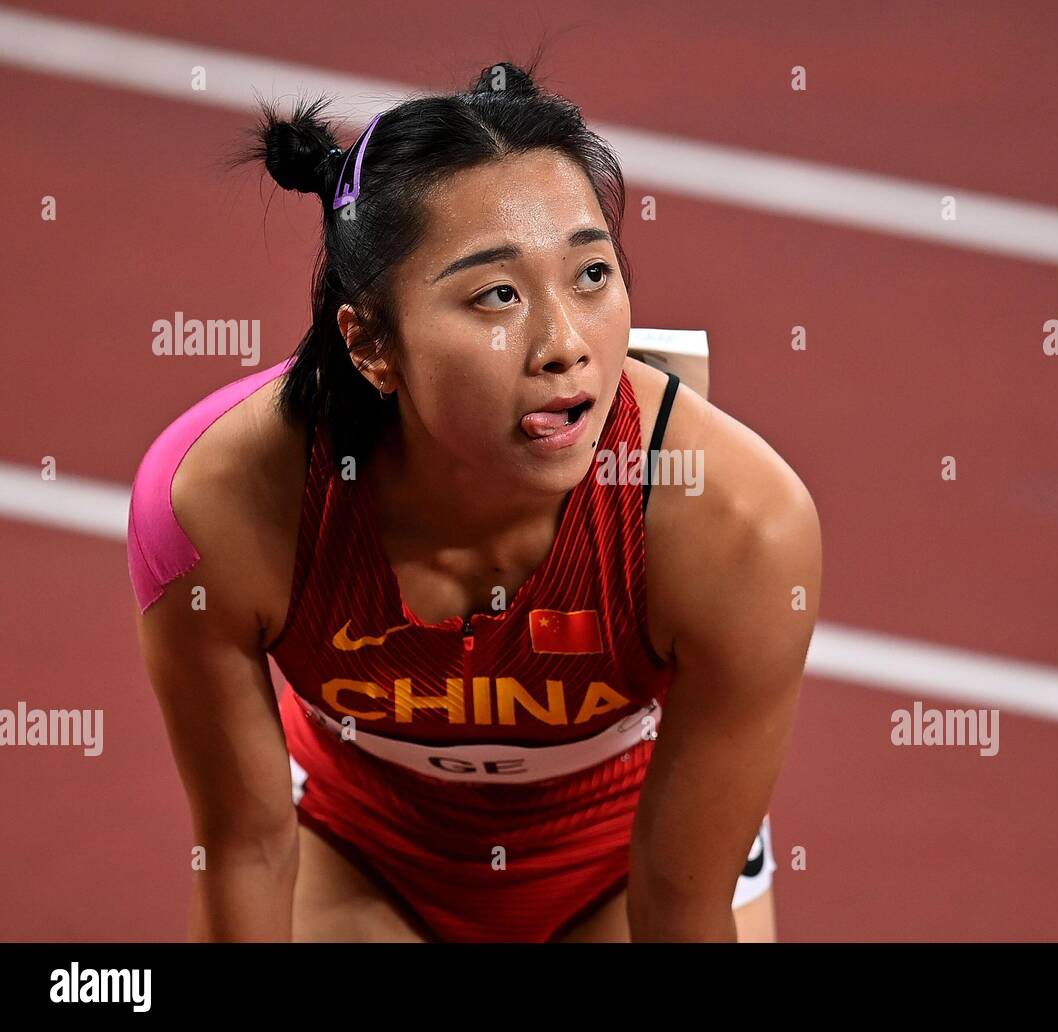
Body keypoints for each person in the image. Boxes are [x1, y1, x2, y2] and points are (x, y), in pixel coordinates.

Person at [129, 57, 821, 943]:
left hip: (624, 864)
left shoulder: (739, 524)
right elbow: (245, 853)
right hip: (356, 855)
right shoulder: (218, 507)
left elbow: (679, 905)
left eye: (592, 276)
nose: (566, 345)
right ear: (370, 342)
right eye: (497, 295)